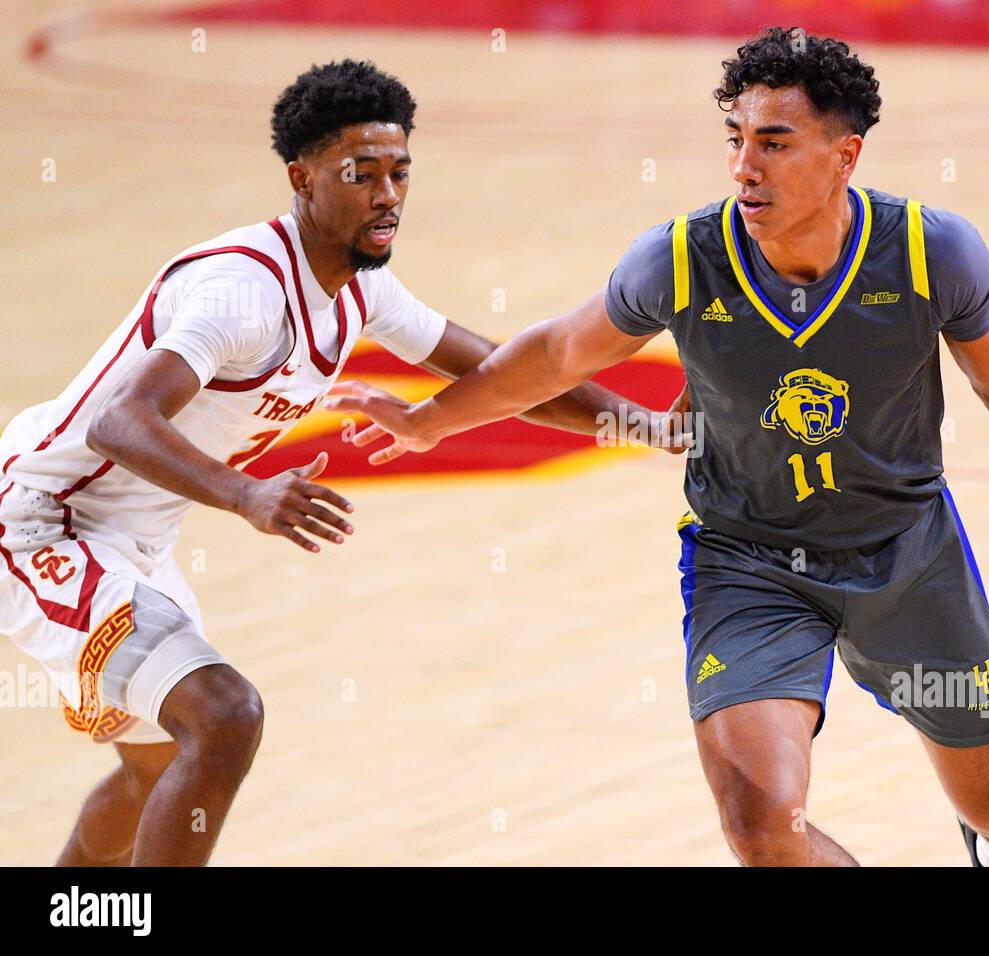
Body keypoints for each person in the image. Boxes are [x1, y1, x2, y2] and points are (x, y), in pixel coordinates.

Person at [324, 30, 989, 867]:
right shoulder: (681, 258)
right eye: (736, 139)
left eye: (774, 143)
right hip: (747, 562)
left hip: (906, 556)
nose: (744, 166)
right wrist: (433, 419)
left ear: (845, 157)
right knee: (762, 827)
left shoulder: (930, 252)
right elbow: (558, 353)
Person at [0, 59, 674, 866]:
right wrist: (246, 495)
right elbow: (120, 422)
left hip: (133, 540)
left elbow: (509, 373)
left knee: (157, 769)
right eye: (361, 174)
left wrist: (653, 427)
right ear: (302, 178)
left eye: (400, 173)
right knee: (224, 717)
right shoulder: (241, 292)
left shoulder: (360, 290)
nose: (387, 195)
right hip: (45, 523)